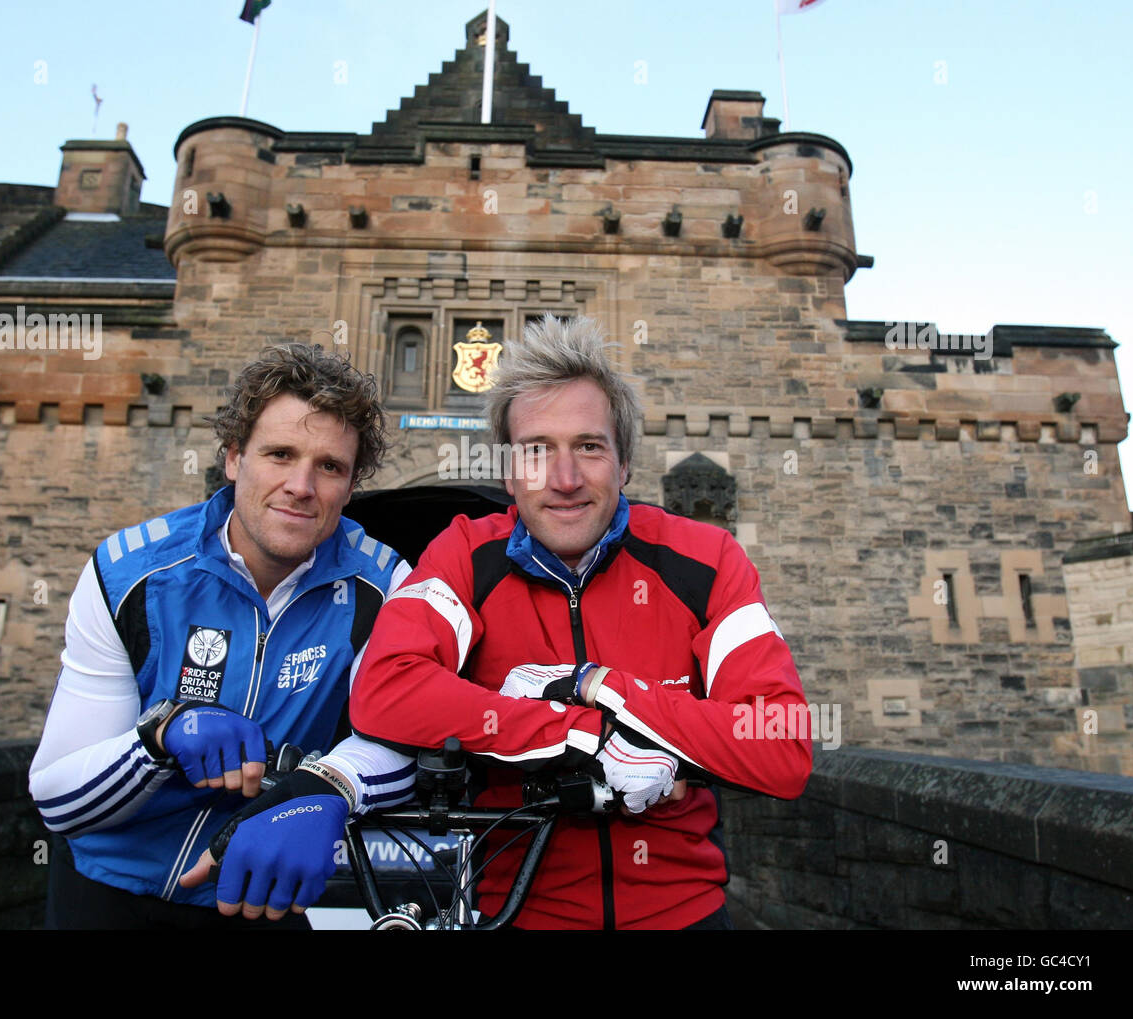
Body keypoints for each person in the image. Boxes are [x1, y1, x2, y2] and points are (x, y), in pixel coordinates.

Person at [348, 314, 813, 930]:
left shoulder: (704, 560)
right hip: (522, 914)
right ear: (509, 472)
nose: (565, 481)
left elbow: (780, 745)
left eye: (589, 448)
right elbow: (385, 690)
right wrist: (580, 735)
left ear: (623, 465)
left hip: (686, 915)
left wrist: (600, 688)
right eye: (538, 451)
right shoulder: (464, 554)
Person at [29, 343, 414, 929]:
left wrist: (331, 788)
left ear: (351, 484)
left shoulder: (386, 585)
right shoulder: (129, 571)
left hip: (260, 893)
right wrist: (158, 739)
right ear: (234, 458)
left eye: (329, 466)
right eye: (279, 454)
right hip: (105, 893)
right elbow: (58, 796)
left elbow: (409, 735)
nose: (301, 485)